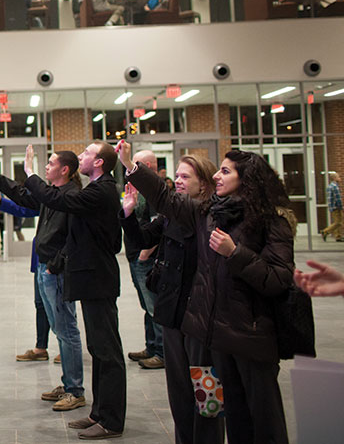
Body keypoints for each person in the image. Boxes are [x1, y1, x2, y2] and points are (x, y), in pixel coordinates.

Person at [120, 142, 295, 444]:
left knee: (262, 421)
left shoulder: (271, 222)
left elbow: (278, 279)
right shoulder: (209, 214)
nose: (217, 176)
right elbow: (164, 199)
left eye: (225, 171)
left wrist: (234, 253)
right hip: (214, 333)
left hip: (252, 337)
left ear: (246, 180)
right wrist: (131, 167)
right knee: (234, 417)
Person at [10, 142, 127, 438]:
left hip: (98, 278)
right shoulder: (97, 188)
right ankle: (99, 413)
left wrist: (29, 173)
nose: (81, 157)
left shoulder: (100, 191)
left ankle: (111, 420)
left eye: (87, 154)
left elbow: (59, 200)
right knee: (98, 350)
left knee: (108, 352)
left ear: (99, 163)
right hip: (92, 278)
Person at [120, 153, 225, 444]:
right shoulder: (170, 217)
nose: (177, 181)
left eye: (185, 177)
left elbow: (164, 197)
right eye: (176, 175)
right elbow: (142, 240)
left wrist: (131, 167)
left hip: (200, 319)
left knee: (207, 395)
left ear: (204, 185)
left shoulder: (206, 213)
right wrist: (128, 216)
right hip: (172, 314)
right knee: (179, 392)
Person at [0, 147, 88, 414]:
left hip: (55, 271)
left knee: (67, 330)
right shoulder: (52, 195)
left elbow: (75, 239)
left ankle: (75, 391)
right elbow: (21, 194)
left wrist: (54, 266)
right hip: (46, 269)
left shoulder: (71, 196)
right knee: (59, 329)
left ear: (65, 170)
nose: (46, 167)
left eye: (50, 164)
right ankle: (67, 385)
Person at [0, 190, 52, 364]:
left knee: (60, 307)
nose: (47, 168)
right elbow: (24, 209)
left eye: (51, 165)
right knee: (40, 304)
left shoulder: (66, 198)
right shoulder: (47, 198)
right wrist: (2, 202)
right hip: (40, 260)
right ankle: (41, 348)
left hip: (56, 262)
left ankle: (66, 348)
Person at [123, 150, 165, 370]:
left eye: (135, 164)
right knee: (145, 305)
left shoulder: (155, 191)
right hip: (135, 256)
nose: (130, 168)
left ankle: (161, 352)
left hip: (146, 259)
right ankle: (151, 346)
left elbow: (159, 226)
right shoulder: (140, 188)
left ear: (148, 165)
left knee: (153, 306)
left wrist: (144, 254)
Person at [320, 171, 342, 241]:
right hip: (336, 207)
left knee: (337, 221)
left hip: (332, 207)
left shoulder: (330, 186)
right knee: (338, 222)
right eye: (339, 177)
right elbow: (337, 198)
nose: (340, 178)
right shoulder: (335, 187)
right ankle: (325, 231)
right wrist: (341, 207)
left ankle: (338, 236)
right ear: (335, 178)